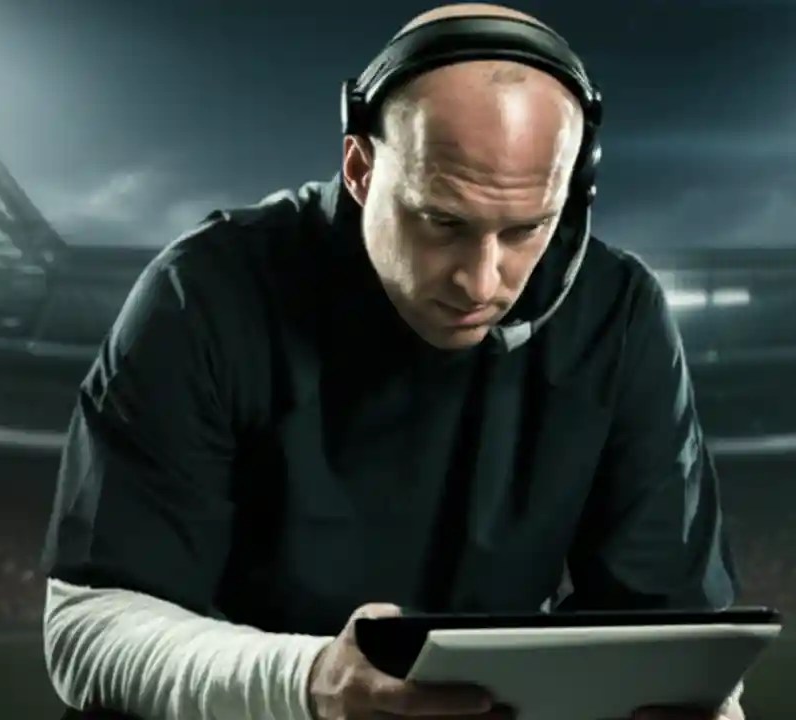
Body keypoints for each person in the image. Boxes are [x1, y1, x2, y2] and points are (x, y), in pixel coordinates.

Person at [40, 4, 745, 720]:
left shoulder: (620, 313)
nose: (481, 282)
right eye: (442, 221)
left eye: (529, 227)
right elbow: (85, 630)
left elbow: (680, 641)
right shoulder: (203, 293)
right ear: (359, 167)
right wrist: (307, 684)